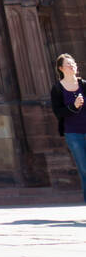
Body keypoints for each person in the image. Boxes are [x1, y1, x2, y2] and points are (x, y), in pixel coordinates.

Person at [50, 53, 86, 202]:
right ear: (61, 68)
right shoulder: (57, 89)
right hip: (73, 134)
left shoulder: (84, 84)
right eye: (68, 64)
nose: (72, 66)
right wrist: (74, 106)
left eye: (73, 63)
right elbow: (58, 112)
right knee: (84, 170)